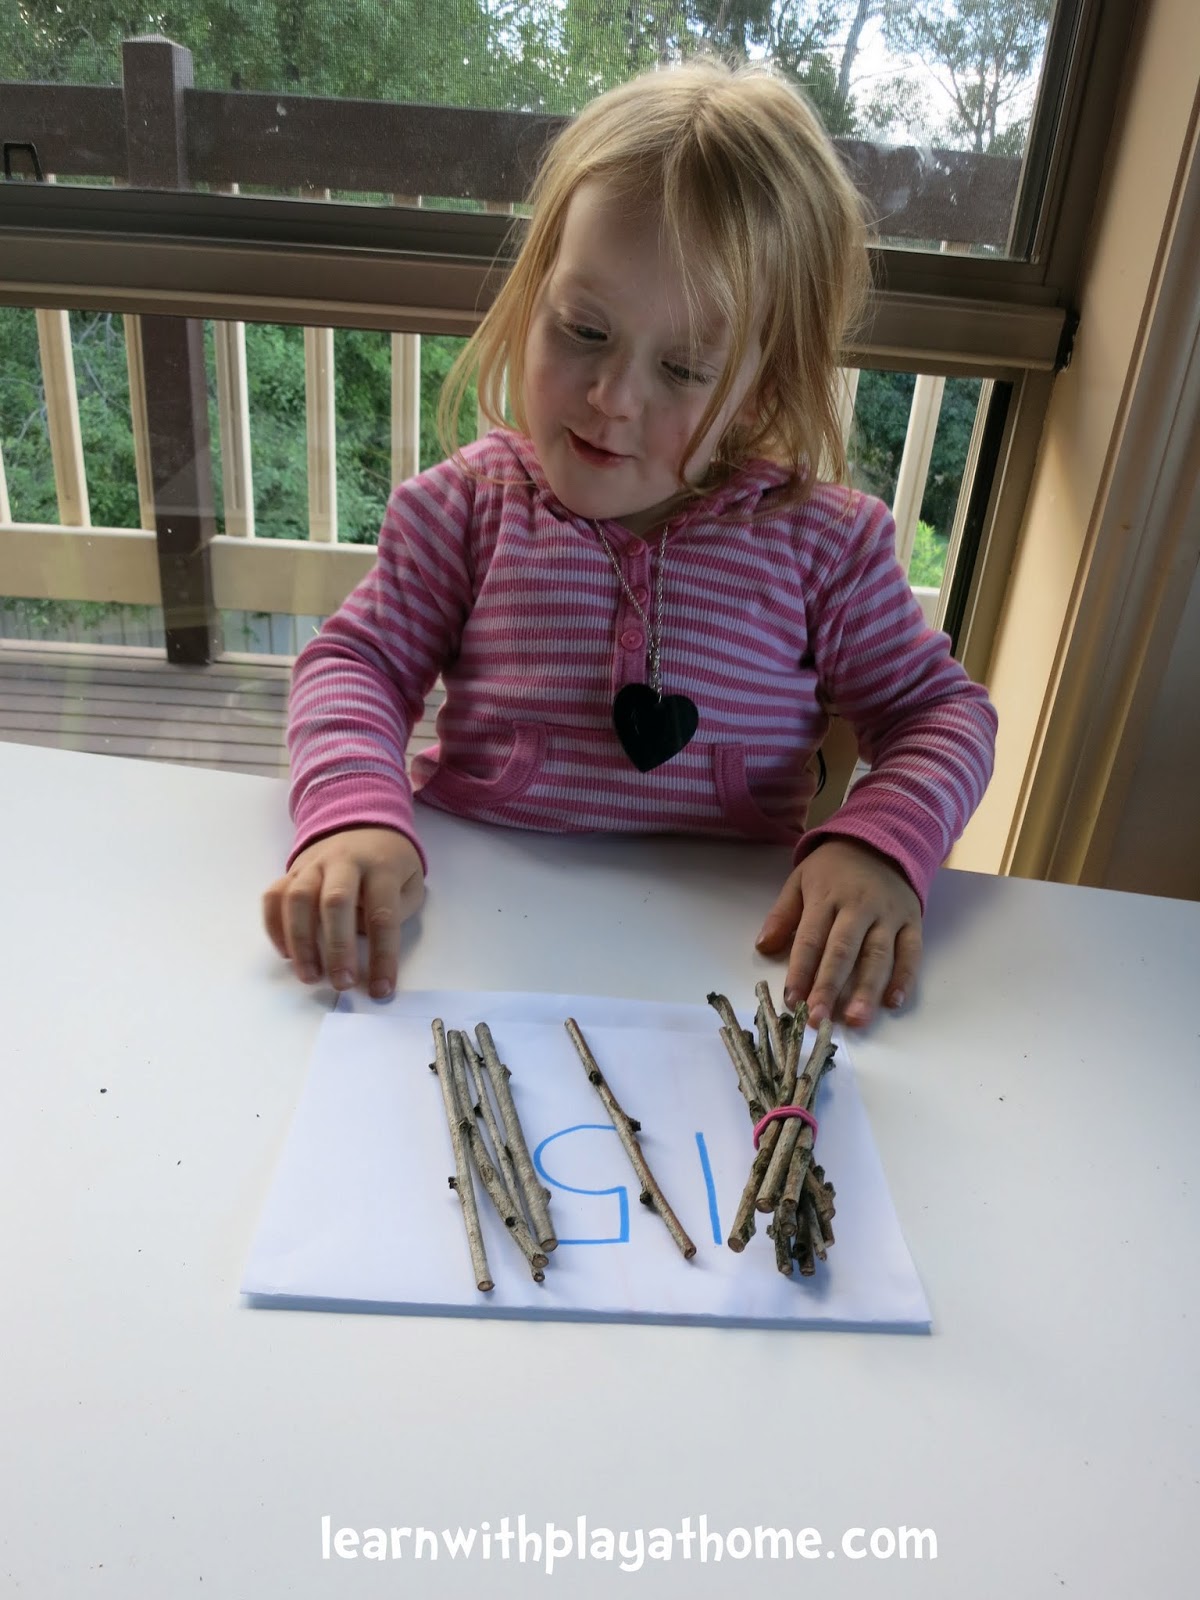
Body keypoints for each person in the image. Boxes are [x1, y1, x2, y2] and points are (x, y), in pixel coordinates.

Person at [262, 57, 997, 1028]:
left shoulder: (823, 547)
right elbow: (354, 663)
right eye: (583, 329)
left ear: (765, 386)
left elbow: (942, 715)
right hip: (457, 959)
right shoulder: (467, 509)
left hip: (724, 983)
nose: (613, 398)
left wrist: (877, 843)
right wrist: (354, 810)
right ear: (534, 296)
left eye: (686, 367)